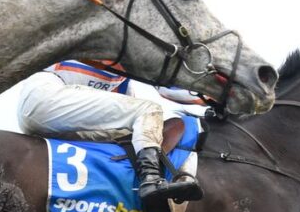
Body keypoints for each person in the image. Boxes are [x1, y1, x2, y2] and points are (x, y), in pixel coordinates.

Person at [17, 60, 202, 203]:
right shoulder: (124, 49)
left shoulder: (124, 85)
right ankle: (151, 180)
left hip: (51, 116)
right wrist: (212, 92)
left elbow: (137, 128)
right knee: (149, 109)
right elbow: (169, 87)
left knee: (132, 132)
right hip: (46, 93)